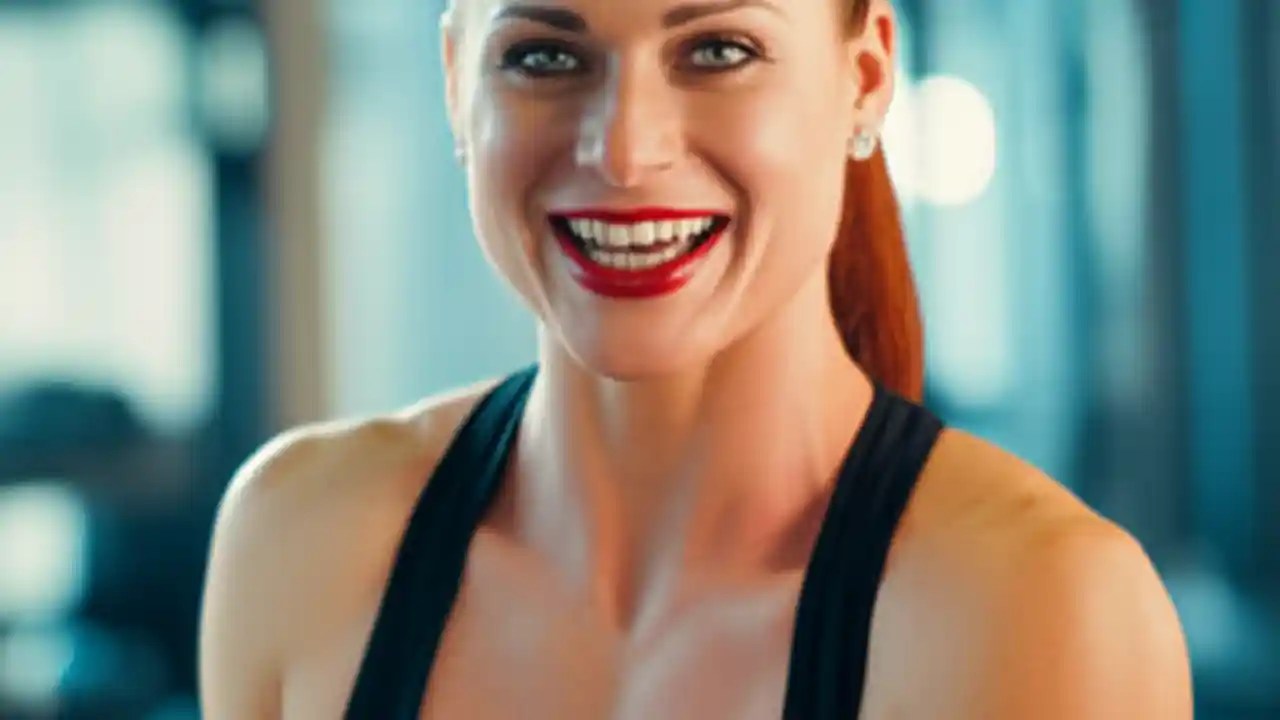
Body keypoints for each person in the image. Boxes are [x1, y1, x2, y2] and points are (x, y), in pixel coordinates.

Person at [198, 0, 1193, 717]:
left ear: (864, 78)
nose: (625, 151)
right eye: (544, 57)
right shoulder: (301, 541)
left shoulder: (1037, 613)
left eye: (717, 48)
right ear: (457, 84)